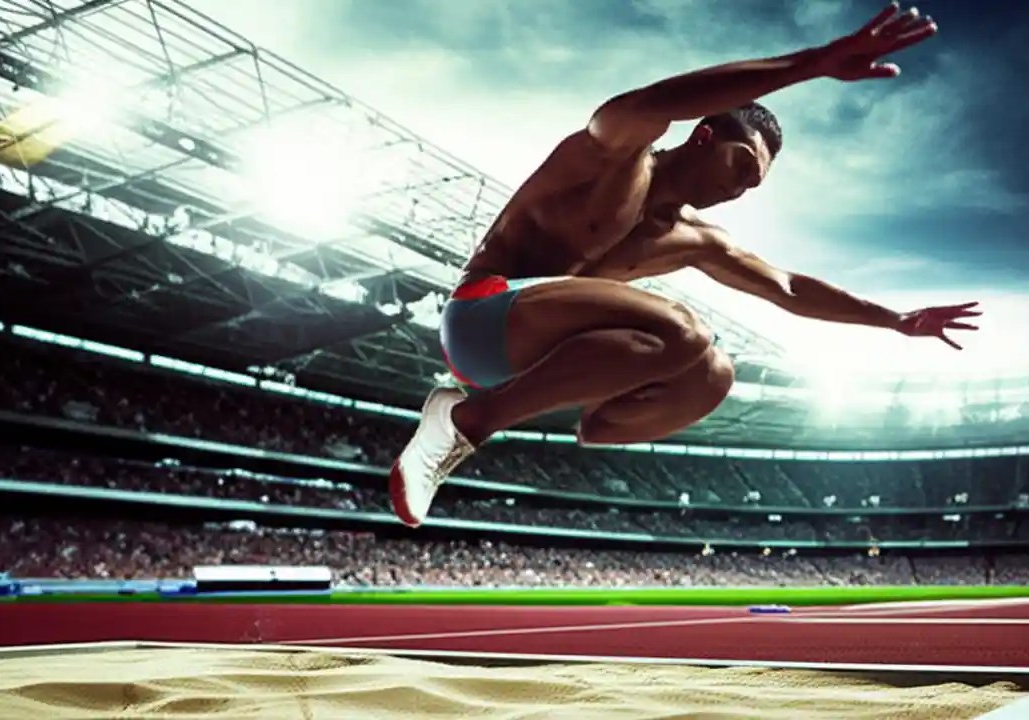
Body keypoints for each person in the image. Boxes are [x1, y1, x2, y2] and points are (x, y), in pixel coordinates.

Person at [390, 2, 982, 527]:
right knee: (686, 329)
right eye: (741, 168)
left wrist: (896, 320)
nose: (741, 191)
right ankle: (465, 422)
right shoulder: (615, 151)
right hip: (480, 318)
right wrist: (814, 63)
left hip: (531, 360)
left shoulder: (692, 237)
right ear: (705, 135)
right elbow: (660, 101)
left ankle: (583, 421)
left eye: (754, 187)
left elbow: (788, 287)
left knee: (712, 371)